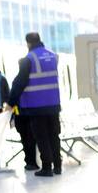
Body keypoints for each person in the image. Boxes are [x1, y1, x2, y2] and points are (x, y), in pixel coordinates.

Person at [7, 32, 63, 177]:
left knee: (42, 136)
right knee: (54, 135)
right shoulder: (53, 56)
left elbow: (20, 82)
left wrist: (11, 102)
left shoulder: (29, 59)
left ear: (28, 43)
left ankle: (46, 167)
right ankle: (57, 166)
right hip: (53, 103)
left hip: (36, 105)